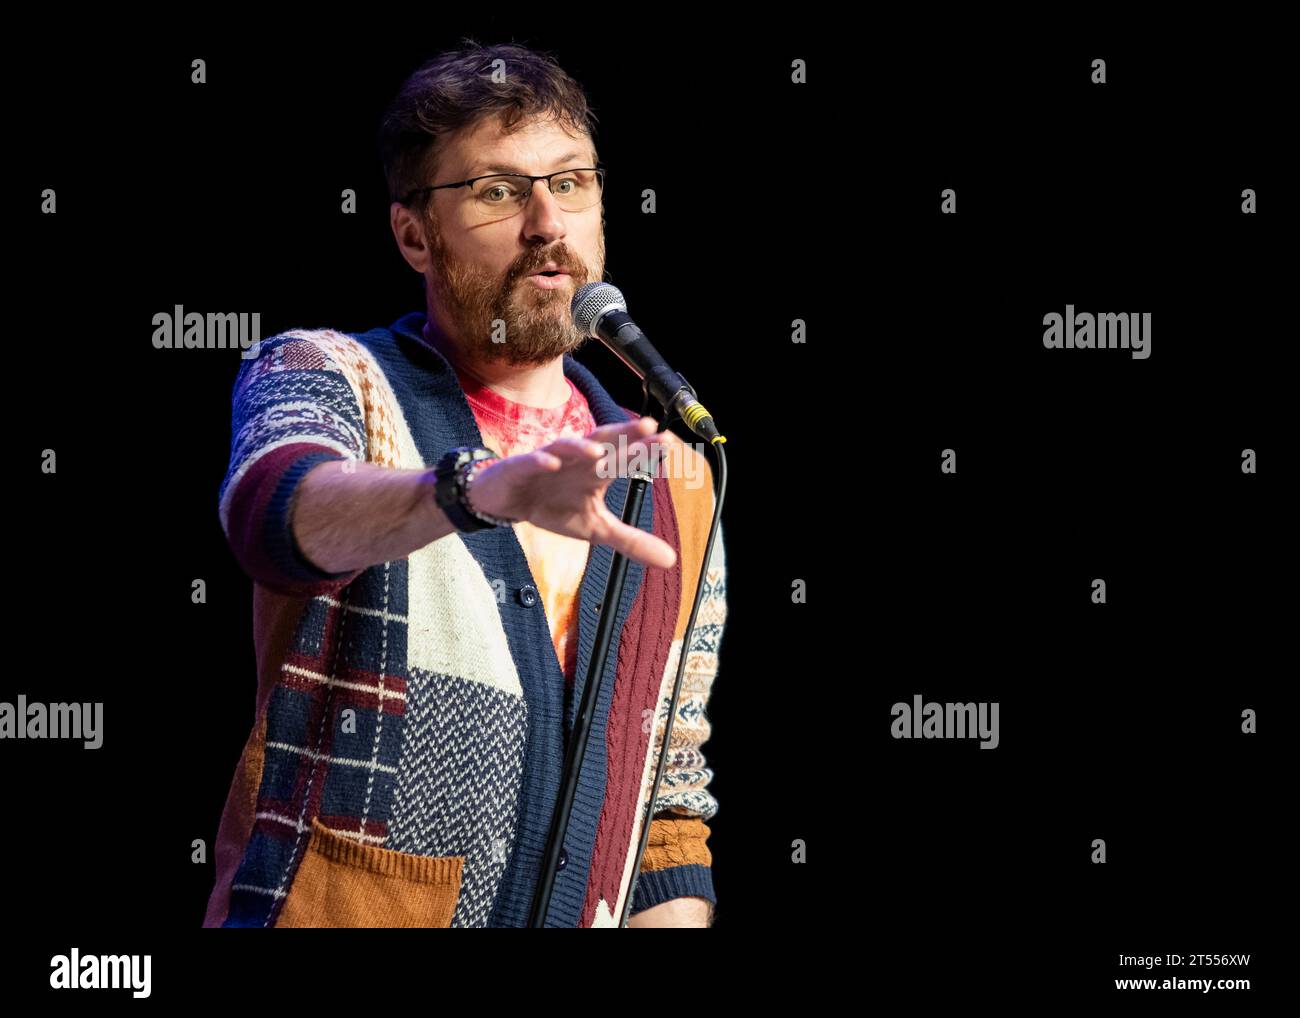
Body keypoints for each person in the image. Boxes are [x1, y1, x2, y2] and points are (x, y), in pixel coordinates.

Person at [202, 40, 726, 928]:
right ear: (414, 233)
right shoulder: (328, 373)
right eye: (496, 190)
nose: (547, 222)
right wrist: (474, 491)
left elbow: (666, 807)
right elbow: (280, 517)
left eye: (571, 183)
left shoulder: (669, 474)